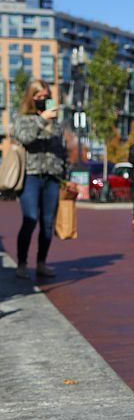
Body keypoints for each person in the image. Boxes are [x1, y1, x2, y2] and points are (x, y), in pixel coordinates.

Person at [12, 79, 68, 280]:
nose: (43, 100)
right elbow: (25, 138)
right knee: (30, 220)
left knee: (47, 223)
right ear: (31, 98)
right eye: (39, 97)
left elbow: (61, 148)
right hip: (31, 176)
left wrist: (65, 176)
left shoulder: (55, 121)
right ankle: (21, 263)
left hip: (52, 177)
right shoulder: (22, 118)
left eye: (46, 96)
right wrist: (42, 119)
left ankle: (42, 263)